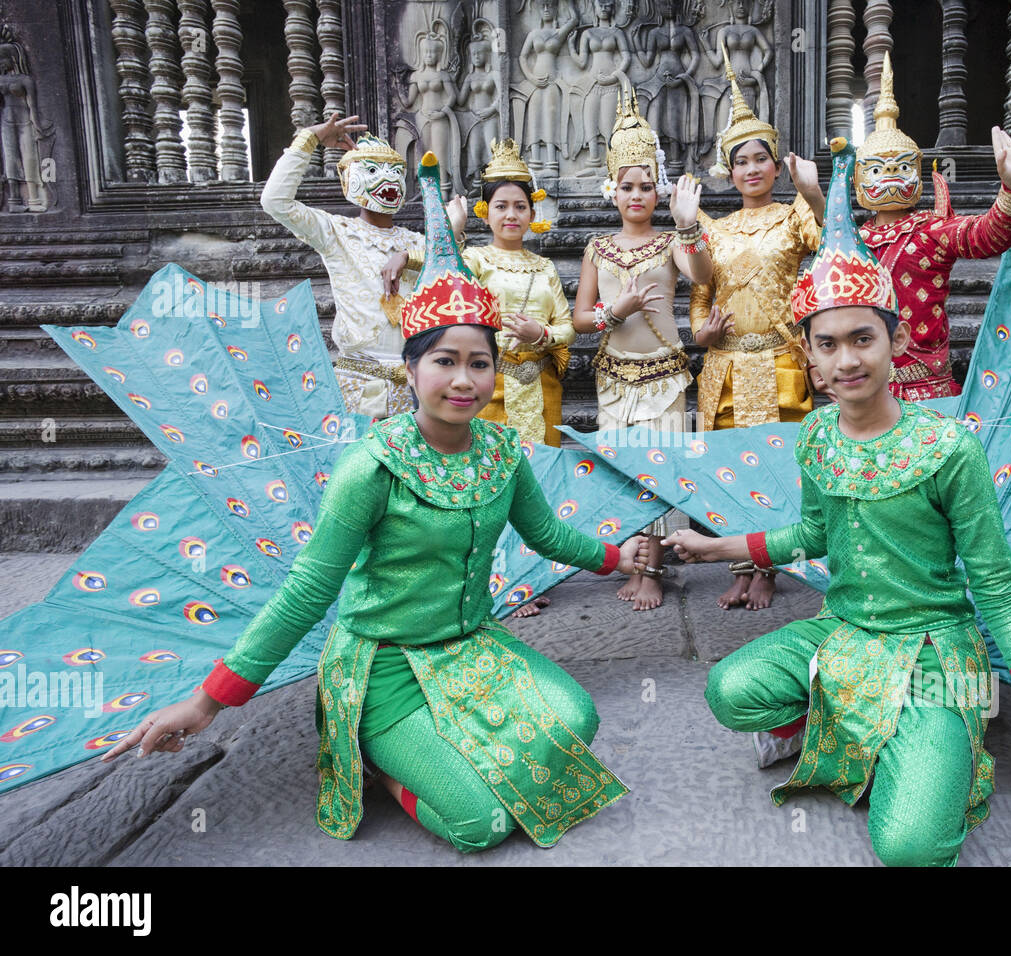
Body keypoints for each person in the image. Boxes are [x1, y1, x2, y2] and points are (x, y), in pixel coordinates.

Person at [104, 151, 649, 854]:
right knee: (479, 822)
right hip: (385, 664)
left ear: (494, 369)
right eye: (444, 361)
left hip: (471, 647)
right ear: (410, 367)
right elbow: (306, 593)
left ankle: (449, 746)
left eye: (478, 361)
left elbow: (547, 537)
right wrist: (210, 701)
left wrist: (621, 557)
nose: (463, 379)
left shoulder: (501, 453)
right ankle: (373, 757)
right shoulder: (371, 466)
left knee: (577, 720)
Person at [663, 139, 1011, 867]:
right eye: (827, 345)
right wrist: (717, 548)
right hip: (846, 631)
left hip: (935, 647)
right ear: (809, 354)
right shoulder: (816, 437)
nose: (847, 360)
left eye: (863, 338)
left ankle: (941, 724)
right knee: (730, 691)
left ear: (895, 339)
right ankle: (851, 721)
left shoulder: (949, 448)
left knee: (912, 848)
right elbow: (810, 533)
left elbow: (994, 586)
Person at [385, 138, 571, 618]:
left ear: (534, 212)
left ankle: (532, 573)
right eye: (503, 205)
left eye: (521, 206)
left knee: (536, 481)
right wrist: (407, 256)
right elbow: (439, 268)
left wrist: (543, 331)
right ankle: (497, 576)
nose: (512, 215)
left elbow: (569, 324)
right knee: (489, 479)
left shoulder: (546, 267)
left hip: (538, 382)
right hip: (492, 386)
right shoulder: (477, 260)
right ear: (487, 211)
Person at [689, 45, 825, 611]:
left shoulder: (794, 216)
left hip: (778, 364)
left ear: (776, 165)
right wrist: (701, 334)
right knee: (730, 471)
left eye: (760, 159)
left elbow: (828, 240)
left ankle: (770, 569)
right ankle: (740, 567)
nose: (751, 169)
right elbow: (700, 296)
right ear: (729, 170)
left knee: (776, 470)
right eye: (741, 161)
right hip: (724, 366)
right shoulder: (714, 231)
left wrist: (813, 190)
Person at [572, 87, 712, 611]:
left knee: (658, 467)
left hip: (663, 374)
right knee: (622, 468)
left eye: (647, 186)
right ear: (613, 190)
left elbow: (703, 273)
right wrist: (619, 310)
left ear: (659, 192)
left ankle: (653, 569)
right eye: (628, 186)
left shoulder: (670, 242)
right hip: (614, 374)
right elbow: (581, 319)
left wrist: (687, 224)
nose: (637, 196)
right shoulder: (597, 248)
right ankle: (630, 555)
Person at [842, 52, 1011, 402]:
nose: (890, 178)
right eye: (877, 170)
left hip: (926, 392)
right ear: (857, 181)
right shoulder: (853, 241)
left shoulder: (932, 230)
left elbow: (988, 235)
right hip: (863, 389)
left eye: (901, 168)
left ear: (918, 174)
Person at [261, 113, 425, 420]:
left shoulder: (416, 243)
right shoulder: (336, 232)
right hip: (358, 384)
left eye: (394, 171)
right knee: (360, 466)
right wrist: (309, 138)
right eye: (374, 170)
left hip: (416, 384)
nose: (387, 179)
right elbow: (275, 201)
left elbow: (453, 264)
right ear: (350, 178)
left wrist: (407, 258)